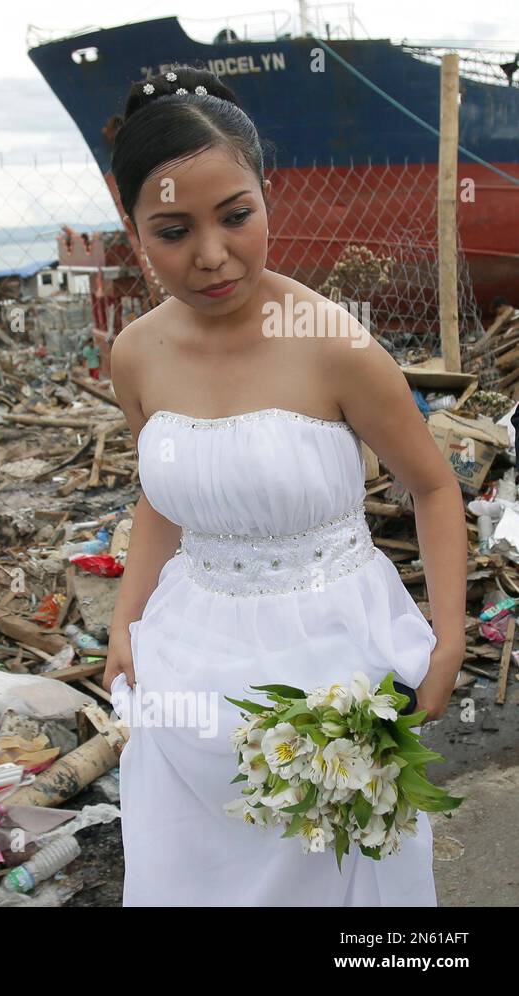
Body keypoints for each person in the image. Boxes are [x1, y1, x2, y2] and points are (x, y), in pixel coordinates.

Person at [103, 65, 465, 907]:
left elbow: (434, 487)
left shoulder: (336, 345)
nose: (212, 256)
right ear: (133, 228)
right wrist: (126, 620)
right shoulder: (136, 354)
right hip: (190, 659)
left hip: (333, 655)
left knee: (338, 872)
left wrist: (447, 638)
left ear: (267, 198)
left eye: (237, 216)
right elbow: (162, 495)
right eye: (173, 231)